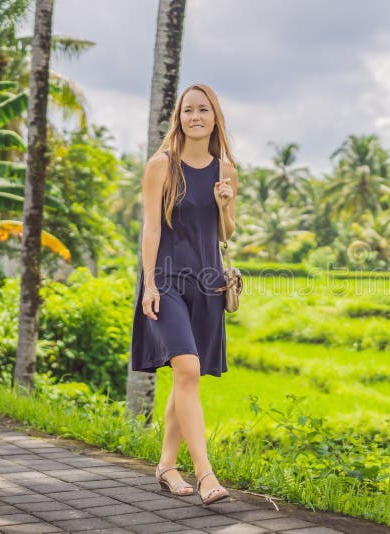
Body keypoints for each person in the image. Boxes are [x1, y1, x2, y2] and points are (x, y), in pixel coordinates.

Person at [130, 83, 238, 505]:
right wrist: (150, 283)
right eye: (188, 110)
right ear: (179, 118)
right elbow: (151, 229)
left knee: (185, 374)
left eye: (203, 110)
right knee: (188, 369)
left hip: (208, 281)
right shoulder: (161, 165)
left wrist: (225, 205)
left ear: (214, 117)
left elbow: (225, 233)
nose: (195, 117)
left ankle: (166, 467)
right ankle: (205, 474)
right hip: (168, 280)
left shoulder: (226, 170)